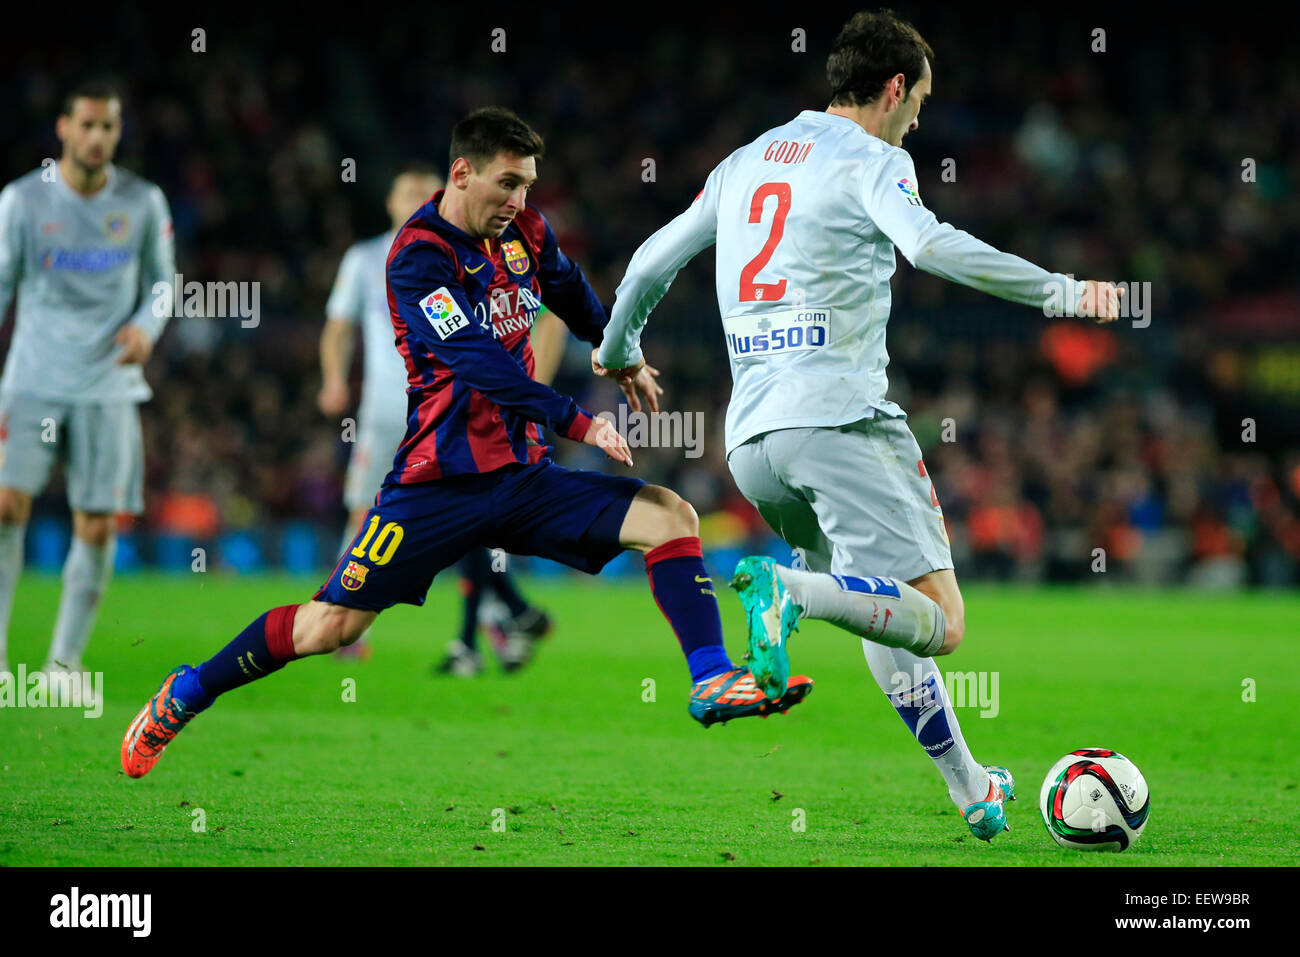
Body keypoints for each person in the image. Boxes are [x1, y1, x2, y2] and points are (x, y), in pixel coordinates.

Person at [121, 107, 811, 780]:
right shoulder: (416, 259)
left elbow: (567, 289)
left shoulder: (526, 233)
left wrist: (616, 346)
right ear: (461, 173)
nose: (520, 199)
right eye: (507, 183)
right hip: (436, 485)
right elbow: (477, 361)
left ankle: (712, 678)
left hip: (522, 478)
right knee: (330, 627)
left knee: (670, 515)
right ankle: (188, 690)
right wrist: (579, 420)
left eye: (528, 185)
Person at [595, 10, 1123, 841]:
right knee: (940, 619)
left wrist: (617, 347)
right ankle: (787, 589)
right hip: (839, 420)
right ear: (893, 88)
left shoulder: (746, 161)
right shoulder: (876, 159)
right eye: (919, 100)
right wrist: (1059, 291)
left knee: (872, 599)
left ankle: (971, 785)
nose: (920, 117)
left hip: (753, 443)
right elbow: (931, 245)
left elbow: (653, 259)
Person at [317, 165, 554, 668]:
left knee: (478, 518)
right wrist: (335, 379)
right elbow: (338, 327)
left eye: (424, 194)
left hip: (451, 410)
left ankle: (496, 623)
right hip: (383, 411)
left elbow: (534, 314)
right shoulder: (363, 259)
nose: (414, 201)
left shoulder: (468, 252)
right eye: (405, 193)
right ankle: (345, 617)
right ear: (388, 201)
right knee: (367, 511)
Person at [0, 79, 174, 702]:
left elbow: (163, 283)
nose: (99, 137)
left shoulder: (143, 201)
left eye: (110, 127)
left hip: (108, 383)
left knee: (97, 523)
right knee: (4, 506)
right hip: (33, 377)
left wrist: (146, 329)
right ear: (64, 129)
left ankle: (63, 665)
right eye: (89, 125)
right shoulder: (21, 201)